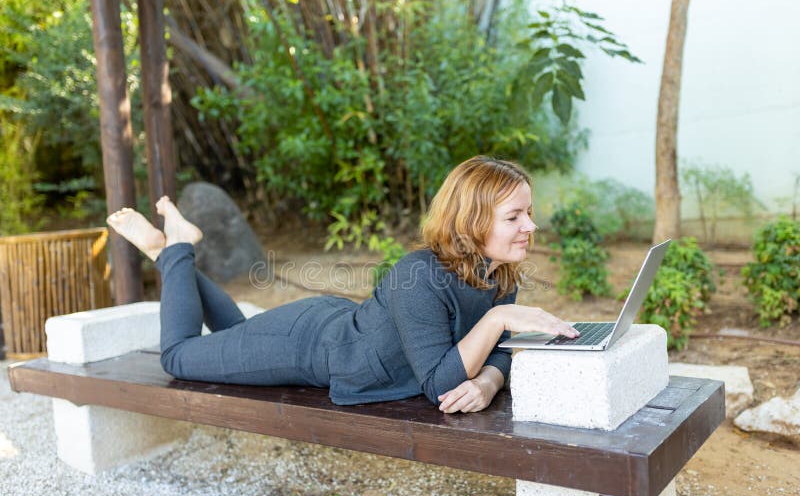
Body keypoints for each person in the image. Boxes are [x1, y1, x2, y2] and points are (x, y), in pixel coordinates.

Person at [106, 156, 578, 413]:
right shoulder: (420, 275)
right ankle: (173, 249)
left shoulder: (498, 274)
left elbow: (494, 351)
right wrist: (499, 319)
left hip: (336, 328)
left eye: (528, 213)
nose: (530, 226)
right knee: (180, 356)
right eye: (515, 216)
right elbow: (439, 385)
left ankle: (171, 249)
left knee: (231, 334)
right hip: (308, 346)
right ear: (471, 221)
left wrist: (492, 382)